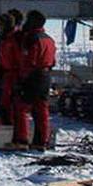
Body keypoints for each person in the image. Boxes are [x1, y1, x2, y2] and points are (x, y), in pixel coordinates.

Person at [13, 9, 57, 147]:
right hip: (46, 76)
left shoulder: (31, 38)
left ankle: (22, 139)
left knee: (21, 108)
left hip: (33, 76)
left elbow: (28, 60)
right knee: (41, 109)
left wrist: (22, 80)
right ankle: (41, 140)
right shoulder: (49, 39)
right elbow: (53, 61)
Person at [0, 12, 19, 124]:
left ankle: (10, 130)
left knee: (7, 106)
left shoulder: (13, 39)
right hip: (1, 77)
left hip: (8, 77)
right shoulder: (3, 39)